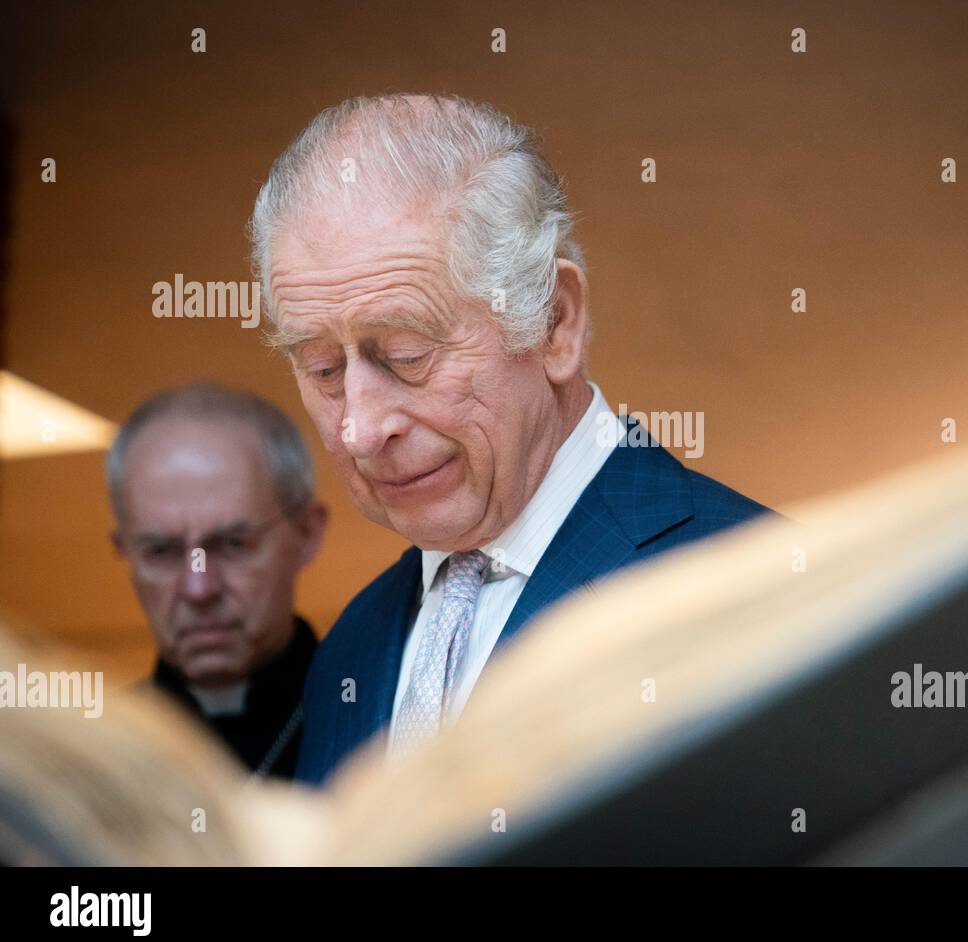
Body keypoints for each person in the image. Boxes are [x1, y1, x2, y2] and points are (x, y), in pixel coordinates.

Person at [248, 93, 774, 785]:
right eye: (322, 369)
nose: (361, 428)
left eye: (407, 355)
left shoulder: (750, 591)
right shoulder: (351, 648)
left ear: (554, 322)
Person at [107, 384, 328, 778]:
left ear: (307, 535)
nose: (199, 589)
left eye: (232, 544)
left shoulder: (384, 720)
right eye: (161, 551)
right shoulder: (93, 763)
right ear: (125, 551)